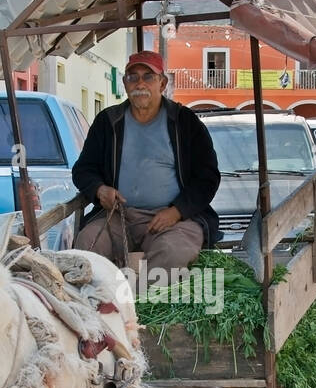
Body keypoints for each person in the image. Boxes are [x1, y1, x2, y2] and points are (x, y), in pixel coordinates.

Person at [71, 51, 221, 272]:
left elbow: (207, 177)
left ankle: (142, 304)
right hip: (118, 216)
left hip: (173, 220)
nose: (140, 83)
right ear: (125, 83)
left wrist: (177, 211)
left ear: (162, 83)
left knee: (172, 252)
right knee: (87, 245)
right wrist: (100, 190)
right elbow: (84, 169)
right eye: (133, 77)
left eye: (148, 76)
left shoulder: (184, 122)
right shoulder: (108, 121)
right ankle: (104, 303)